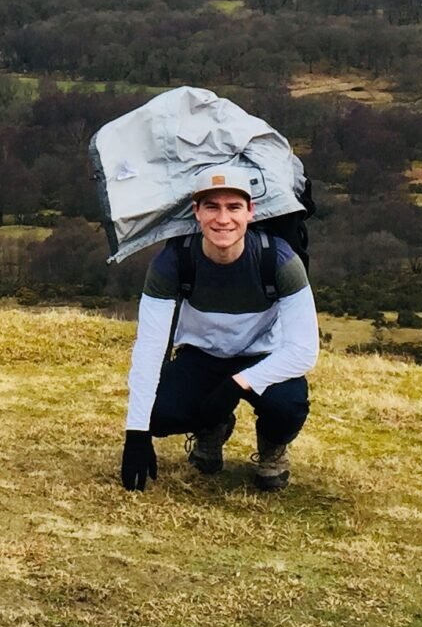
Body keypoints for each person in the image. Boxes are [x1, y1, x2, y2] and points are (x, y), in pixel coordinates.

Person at [118, 166, 319, 492]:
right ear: (196, 212)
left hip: (262, 355)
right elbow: (149, 348)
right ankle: (212, 426)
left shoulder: (279, 262)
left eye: (234, 207)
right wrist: (136, 432)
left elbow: (303, 351)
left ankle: (273, 445)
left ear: (251, 212)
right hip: (202, 356)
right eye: (212, 206)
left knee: (288, 405)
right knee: (160, 412)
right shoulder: (173, 263)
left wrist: (237, 385)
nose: (222, 219)